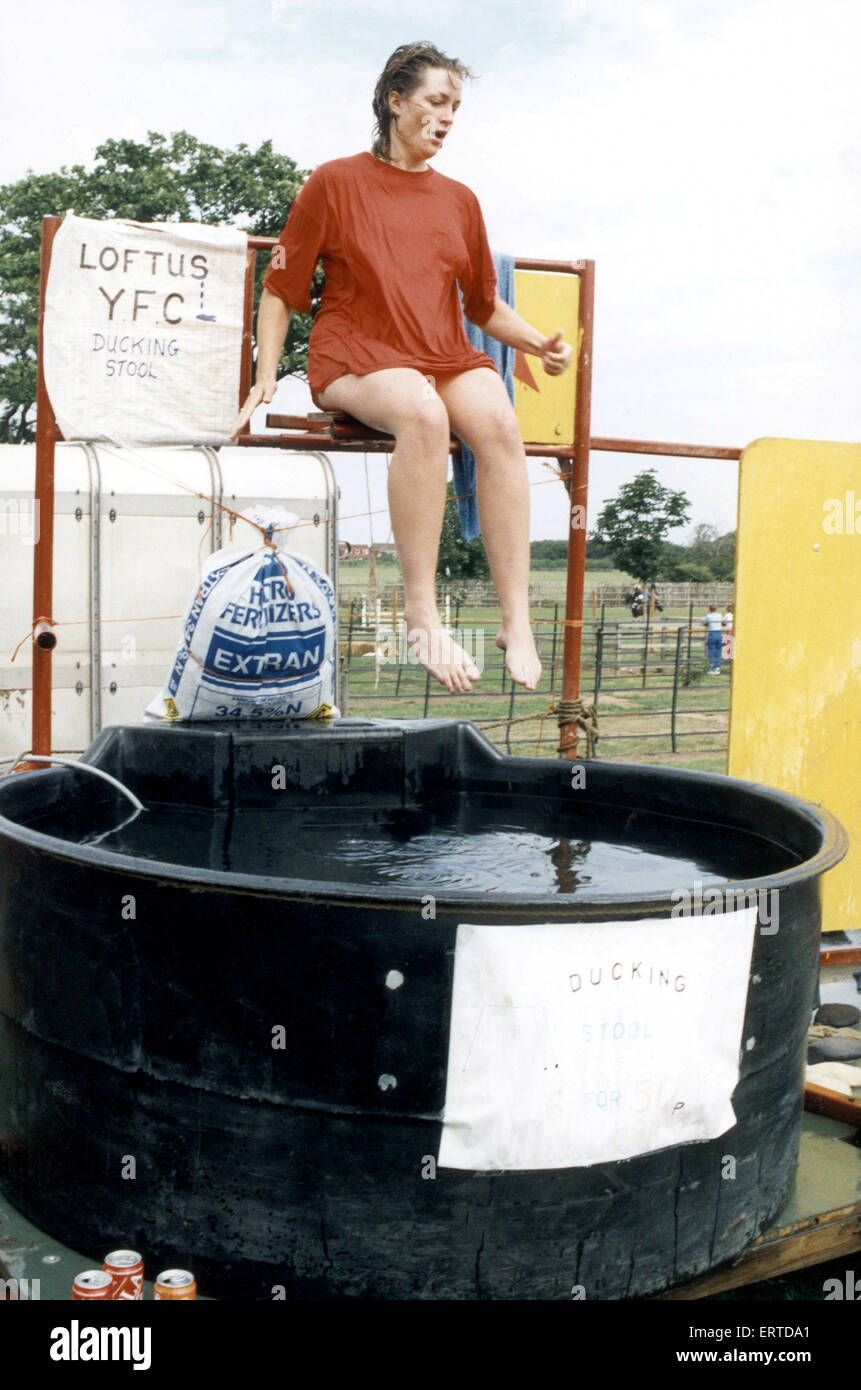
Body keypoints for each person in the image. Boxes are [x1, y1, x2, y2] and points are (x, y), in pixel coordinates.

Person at [231, 41, 574, 694]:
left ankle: (515, 619)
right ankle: (421, 610)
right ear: (395, 101)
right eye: (435, 102)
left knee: (501, 424)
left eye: (456, 108)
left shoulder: (460, 200)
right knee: (422, 411)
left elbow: (482, 304)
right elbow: (280, 290)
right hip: (355, 355)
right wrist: (265, 374)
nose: (446, 118)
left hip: (441, 350)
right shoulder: (334, 182)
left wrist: (536, 345)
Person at [705, 603, 723, 674]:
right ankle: (718, 667)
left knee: (712, 650)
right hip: (719, 633)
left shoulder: (708, 616)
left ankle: (712, 668)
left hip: (712, 633)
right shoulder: (720, 615)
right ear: (716, 609)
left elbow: (705, 622)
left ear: (709, 609)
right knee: (718, 650)